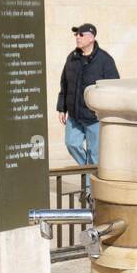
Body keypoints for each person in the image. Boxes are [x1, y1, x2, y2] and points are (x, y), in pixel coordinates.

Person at [55, 22, 117, 173]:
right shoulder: (72, 58)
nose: (77, 37)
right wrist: (61, 108)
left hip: (94, 118)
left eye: (81, 34)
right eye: (76, 34)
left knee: (94, 155)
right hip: (74, 116)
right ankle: (88, 171)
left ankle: (90, 192)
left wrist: (106, 111)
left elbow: (114, 87)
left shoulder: (105, 60)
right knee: (72, 144)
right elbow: (64, 84)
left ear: (91, 38)